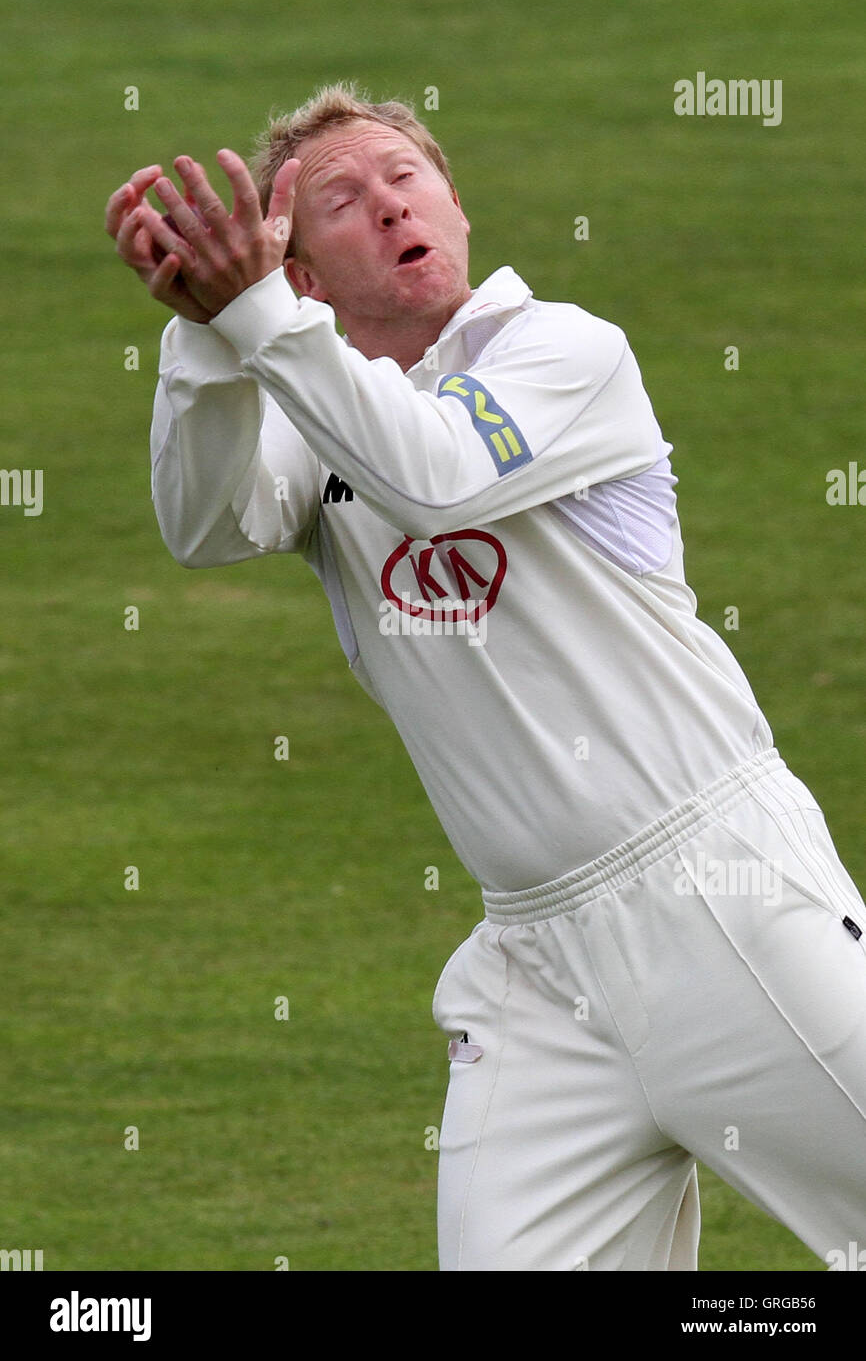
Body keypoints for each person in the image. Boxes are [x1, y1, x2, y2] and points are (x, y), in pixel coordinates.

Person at [106, 83, 866, 1272]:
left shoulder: (564, 351)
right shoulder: (317, 419)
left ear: (456, 203)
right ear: (300, 274)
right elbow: (204, 525)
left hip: (718, 897)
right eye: (344, 201)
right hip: (534, 971)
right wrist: (204, 331)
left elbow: (441, 476)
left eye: (407, 176)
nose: (392, 203)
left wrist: (257, 318)